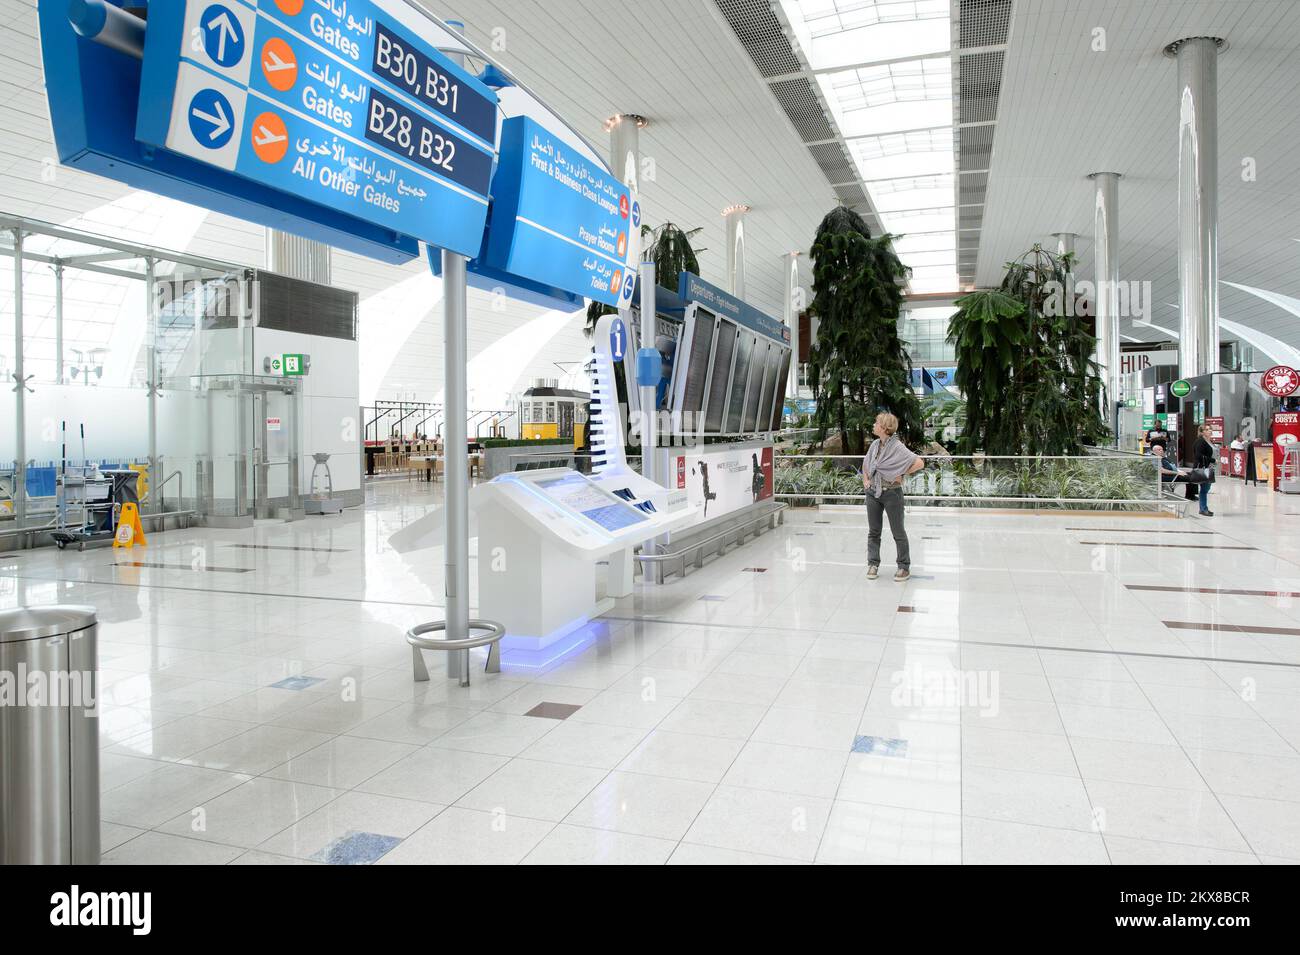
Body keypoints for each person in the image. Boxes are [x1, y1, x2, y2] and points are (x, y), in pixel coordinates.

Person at [862, 412, 925, 582]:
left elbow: (919, 462)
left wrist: (901, 472)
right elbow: (866, 464)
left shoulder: (897, 446)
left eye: (876, 423)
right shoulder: (875, 445)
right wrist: (866, 481)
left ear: (884, 427)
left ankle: (903, 567)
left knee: (898, 531)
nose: (873, 425)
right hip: (873, 493)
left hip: (892, 493)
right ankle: (873, 563)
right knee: (874, 531)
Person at [1193, 423, 1216, 516]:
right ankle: (1203, 508)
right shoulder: (1201, 442)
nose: (1209, 431)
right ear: (1202, 432)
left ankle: (1203, 507)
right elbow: (1198, 455)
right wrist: (1213, 460)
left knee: (1206, 488)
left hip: (1209, 467)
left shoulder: (1208, 441)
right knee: (1204, 488)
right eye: (1207, 429)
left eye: (1210, 429)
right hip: (1203, 467)